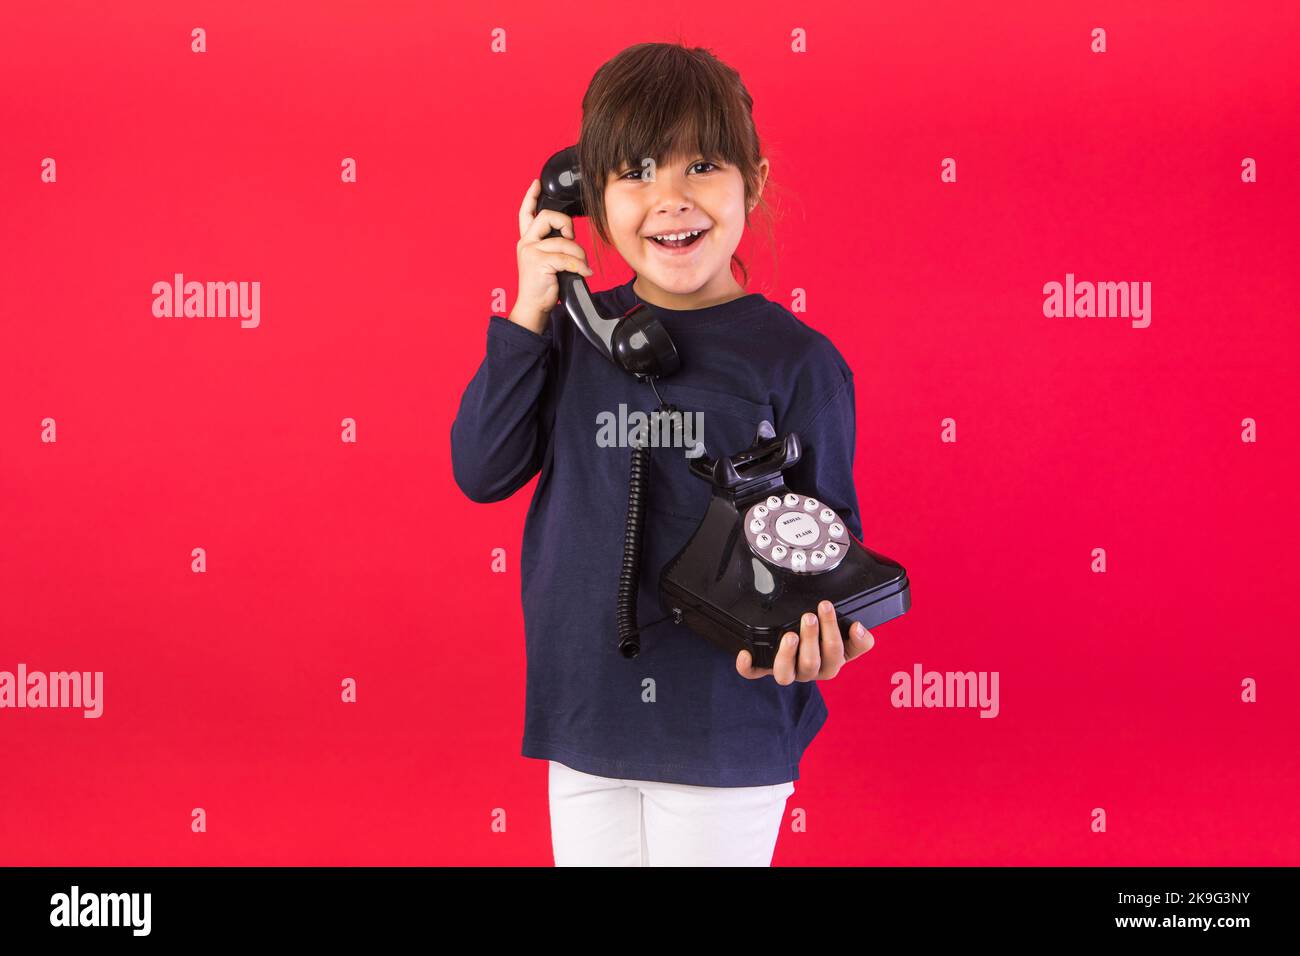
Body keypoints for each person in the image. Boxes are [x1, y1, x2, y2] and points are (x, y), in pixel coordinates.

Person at [451, 41, 876, 866]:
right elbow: (481, 469)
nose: (669, 200)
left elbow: (832, 545)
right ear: (586, 197)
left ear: (751, 178)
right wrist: (531, 308)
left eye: (702, 166)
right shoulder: (572, 336)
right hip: (585, 716)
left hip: (724, 717)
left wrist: (833, 627)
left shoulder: (799, 362)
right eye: (636, 172)